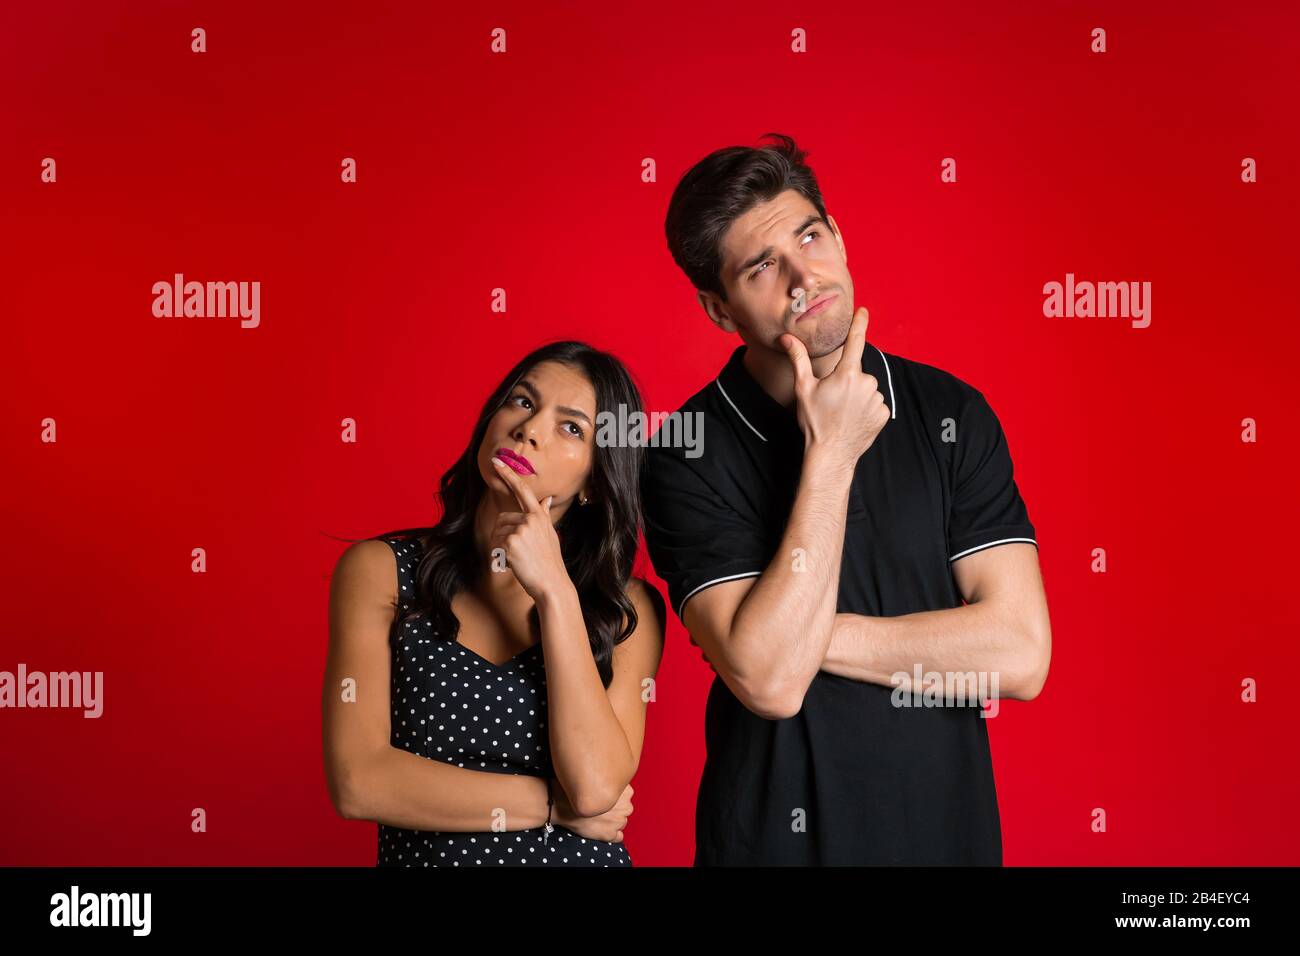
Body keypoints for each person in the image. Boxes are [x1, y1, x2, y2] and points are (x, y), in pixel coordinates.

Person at [641, 133, 1053, 865]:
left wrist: (790, 640)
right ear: (716, 308)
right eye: (762, 266)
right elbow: (768, 683)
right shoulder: (687, 450)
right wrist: (830, 452)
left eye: (810, 235)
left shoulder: (948, 412)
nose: (804, 276)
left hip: (945, 835)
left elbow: (1019, 654)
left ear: (840, 236)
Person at [323, 340, 665, 866]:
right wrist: (551, 804)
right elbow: (358, 782)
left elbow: (596, 789)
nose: (529, 429)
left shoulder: (625, 611)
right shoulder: (381, 572)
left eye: (571, 427)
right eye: (523, 402)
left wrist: (555, 592)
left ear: (595, 480)